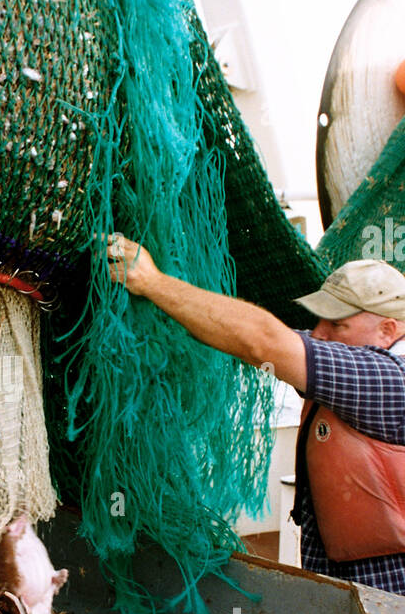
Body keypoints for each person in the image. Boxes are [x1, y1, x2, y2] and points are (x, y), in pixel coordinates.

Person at [107, 239, 405, 594]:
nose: (319, 333)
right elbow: (249, 338)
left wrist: (152, 282)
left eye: (337, 324)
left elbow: (263, 342)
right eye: (320, 319)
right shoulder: (356, 363)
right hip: (345, 583)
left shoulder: (389, 379)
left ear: (388, 330)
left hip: (389, 599)